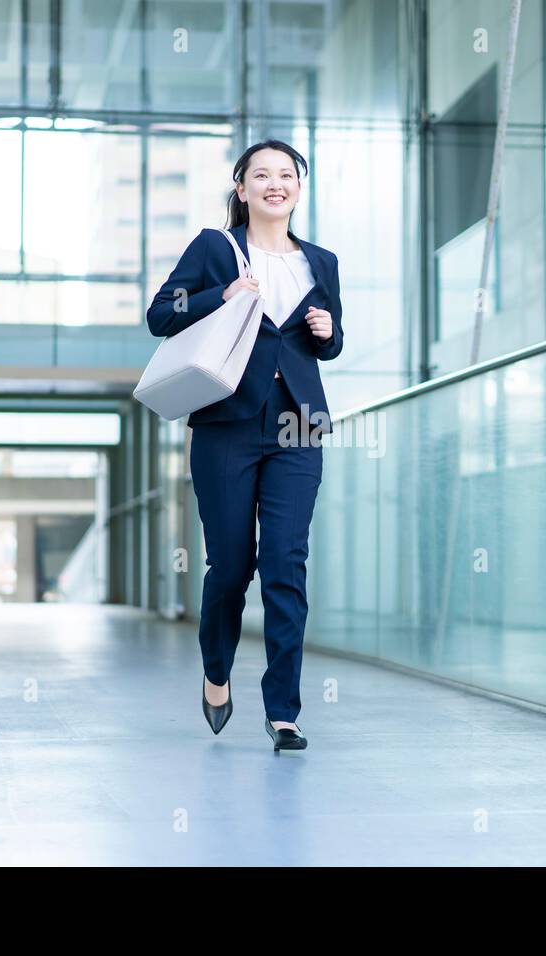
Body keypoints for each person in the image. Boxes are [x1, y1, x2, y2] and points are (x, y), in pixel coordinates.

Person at [145, 139, 343, 751]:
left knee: (286, 561)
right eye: (262, 174)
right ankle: (215, 667)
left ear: (299, 188)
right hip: (226, 423)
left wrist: (329, 331)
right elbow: (161, 313)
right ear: (242, 187)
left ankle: (283, 711)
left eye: (287, 175)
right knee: (231, 564)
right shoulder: (215, 247)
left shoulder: (322, 261)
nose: (275, 184)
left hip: (296, 427)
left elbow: (326, 346)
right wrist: (221, 295)